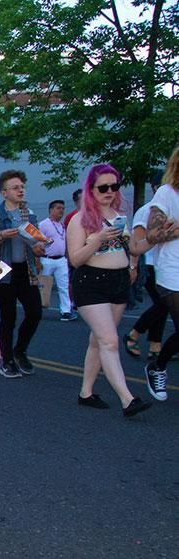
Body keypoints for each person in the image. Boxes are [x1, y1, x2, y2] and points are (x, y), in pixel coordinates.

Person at [66, 163, 151, 417]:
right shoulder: (80, 219)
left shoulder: (118, 216)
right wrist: (98, 240)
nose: (109, 192)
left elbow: (134, 248)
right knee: (109, 340)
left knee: (98, 340)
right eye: (103, 187)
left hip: (118, 282)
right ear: (91, 189)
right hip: (91, 284)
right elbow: (76, 259)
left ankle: (86, 392)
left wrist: (155, 237)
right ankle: (127, 399)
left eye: (114, 186)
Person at [0, 170, 44, 378]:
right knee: (8, 316)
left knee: (35, 312)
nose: (20, 190)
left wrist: (39, 248)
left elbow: (37, 240)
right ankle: (7, 359)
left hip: (26, 270)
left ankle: (20, 350)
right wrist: (1, 235)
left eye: (22, 187)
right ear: (4, 193)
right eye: (15, 187)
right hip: (2, 272)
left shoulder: (29, 215)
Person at [141, 145, 179, 402]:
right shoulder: (167, 193)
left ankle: (158, 365)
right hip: (173, 269)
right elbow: (152, 235)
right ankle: (157, 366)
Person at [124, 175, 169, 362]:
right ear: (155, 187)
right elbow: (136, 241)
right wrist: (133, 267)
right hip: (149, 265)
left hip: (164, 265)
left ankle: (155, 346)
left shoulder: (170, 208)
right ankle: (134, 333)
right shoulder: (145, 211)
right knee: (163, 304)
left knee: (163, 305)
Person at [38, 200, 75, 320]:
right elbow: (36, 243)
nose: (61, 211)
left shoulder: (62, 225)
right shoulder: (43, 224)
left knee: (63, 286)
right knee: (43, 286)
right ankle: (38, 308)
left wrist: (68, 258)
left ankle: (66, 311)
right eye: (58, 208)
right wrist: (37, 260)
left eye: (63, 208)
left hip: (61, 260)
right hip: (46, 260)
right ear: (51, 210)